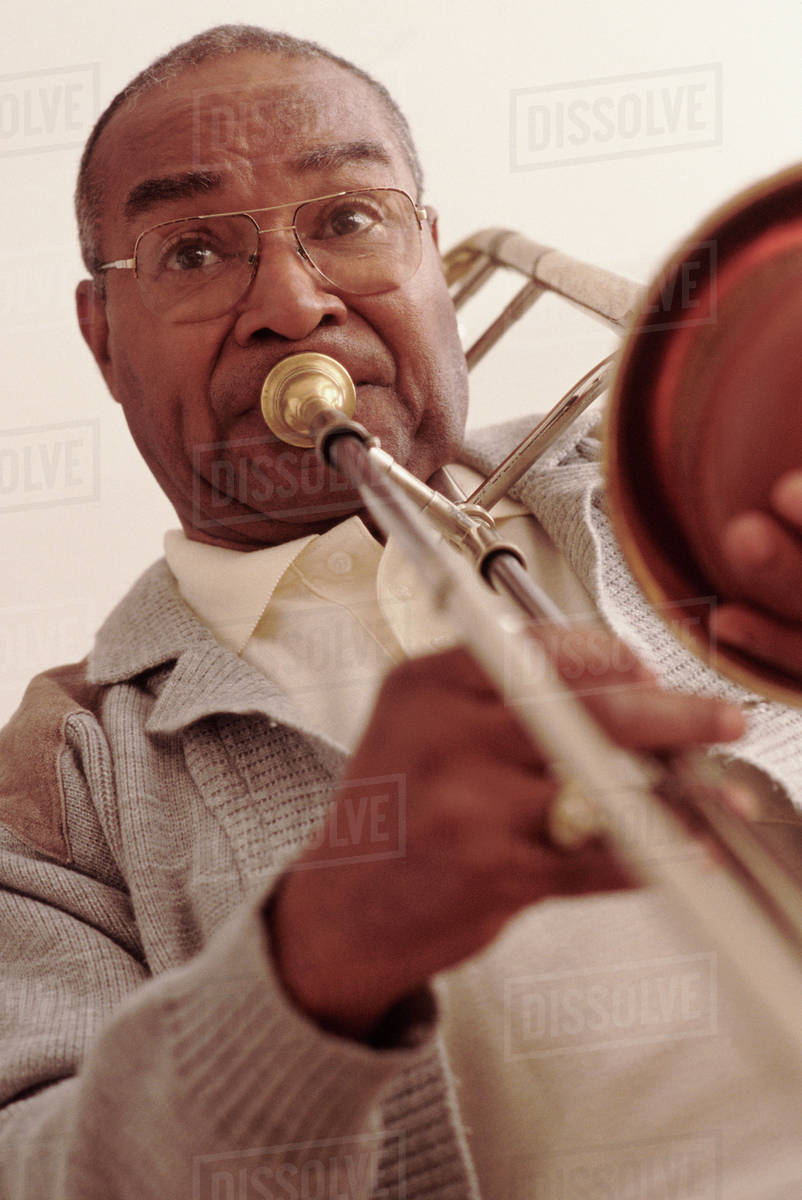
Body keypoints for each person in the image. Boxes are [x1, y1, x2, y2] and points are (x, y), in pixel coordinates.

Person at [0, 23, 800, 1200]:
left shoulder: (685, 470)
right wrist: (323, 952)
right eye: (191, 252)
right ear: (101, 338)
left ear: (431, 250)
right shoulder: (54, 790)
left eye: (345, 218)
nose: (291, 303)